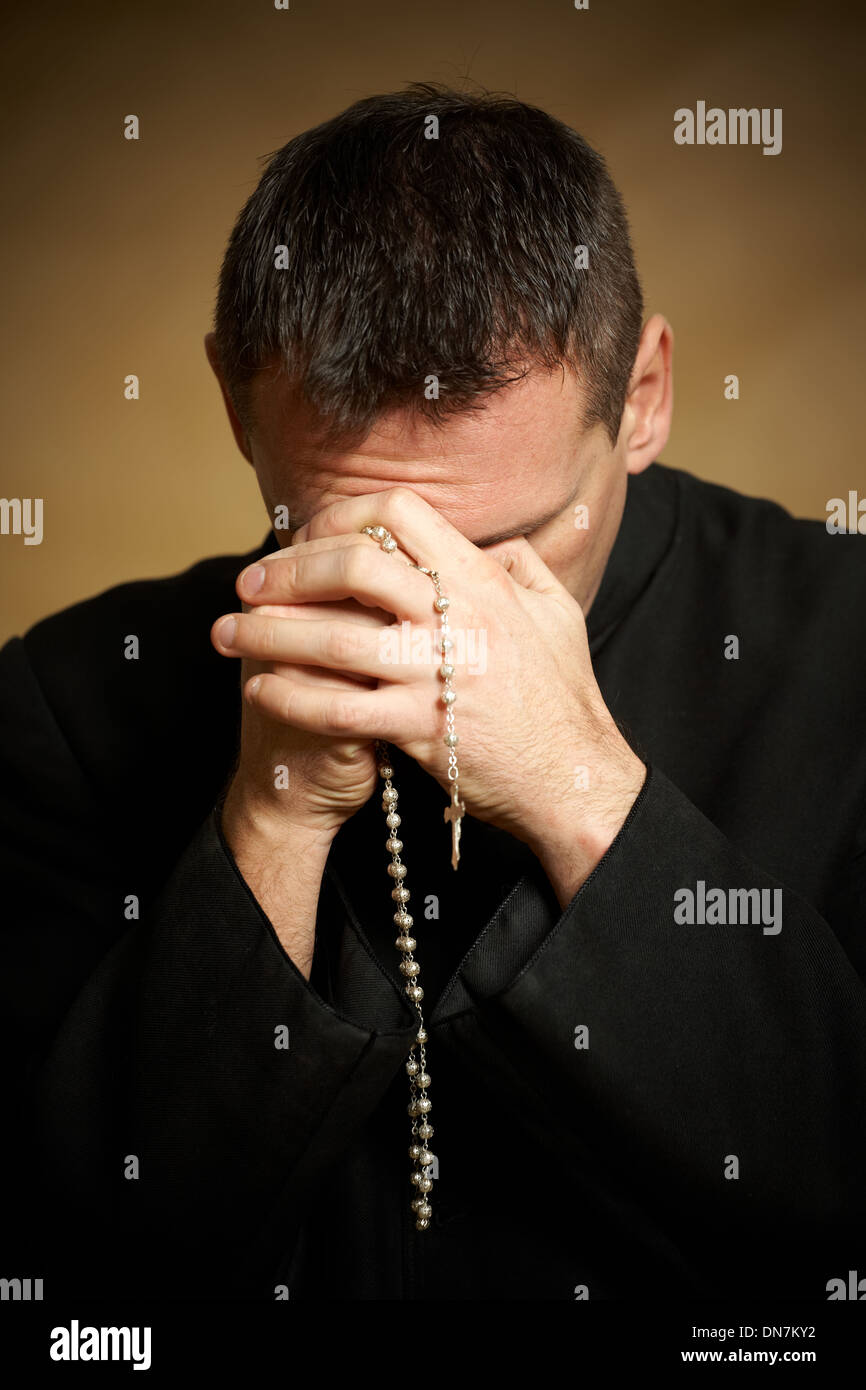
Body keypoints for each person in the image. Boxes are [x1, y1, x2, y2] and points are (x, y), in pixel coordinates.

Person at [2, 84, 864, 1303]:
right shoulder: (66, 705)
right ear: (234, 407)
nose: (433, 599)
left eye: (510, 538)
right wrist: (271, 820)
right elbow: (75, 1289)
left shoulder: (844, 649)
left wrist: (585, 795)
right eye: (352, 523)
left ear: (644, 399)